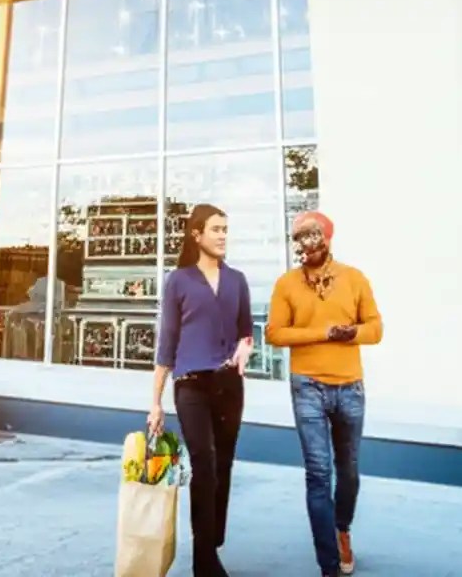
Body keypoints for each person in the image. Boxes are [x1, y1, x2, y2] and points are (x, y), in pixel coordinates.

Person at [265, 210, 382, 577]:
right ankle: (328, 564)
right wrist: (323, 333)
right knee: (318, 473)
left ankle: (341, 528)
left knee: (348, 471)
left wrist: (352, 334)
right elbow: (275, 333)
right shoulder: (286, 284)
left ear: (327, 238)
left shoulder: (354, 278)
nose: (304, 244)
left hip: (350, 386)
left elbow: (376, 328)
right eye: (298, 237)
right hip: (307, 386)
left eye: (310, 235)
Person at [148, 203, 255, 577]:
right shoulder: (178, 280)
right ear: (197, 235)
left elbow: (246, 331)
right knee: (205, 463)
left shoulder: (238, 280)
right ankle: (203, 558)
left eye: (226, 228)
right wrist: (155, 403)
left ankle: (212, 540)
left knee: (223, 465)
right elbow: (167, 343)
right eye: (216, 229)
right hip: (190, 383)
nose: (223, 235)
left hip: (229, 385)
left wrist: (245, 348)